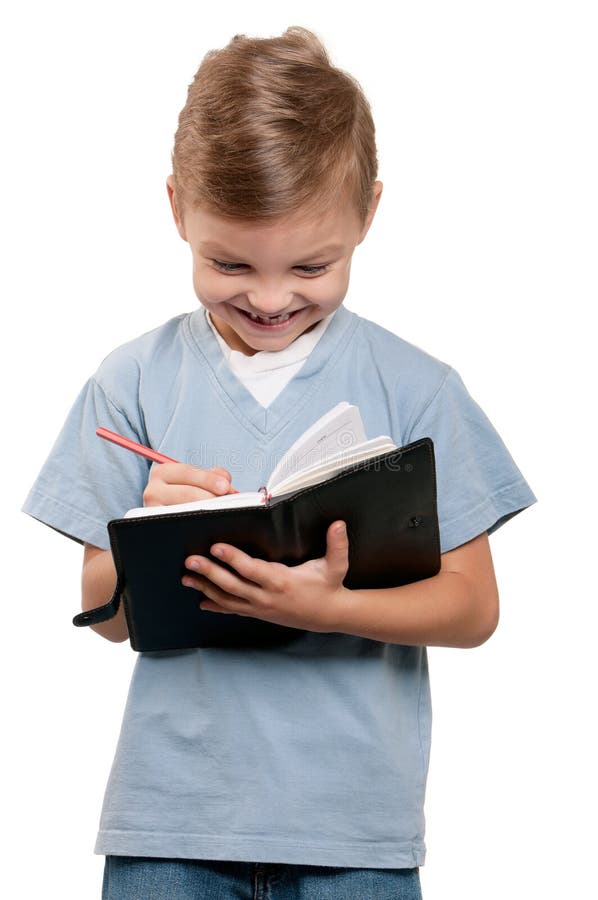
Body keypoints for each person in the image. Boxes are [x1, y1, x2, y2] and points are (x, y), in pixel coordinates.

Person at [22, 26, 537, 900]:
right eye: (228, 263)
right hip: (169, 824)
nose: (268, 299)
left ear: (368, 215)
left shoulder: (418, 390)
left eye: (311, 265)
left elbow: (475, 607)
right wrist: (145, 535)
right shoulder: (132, 381)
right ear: (178, 208)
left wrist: (332, 606)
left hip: (355, 837)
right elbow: (105, 616)